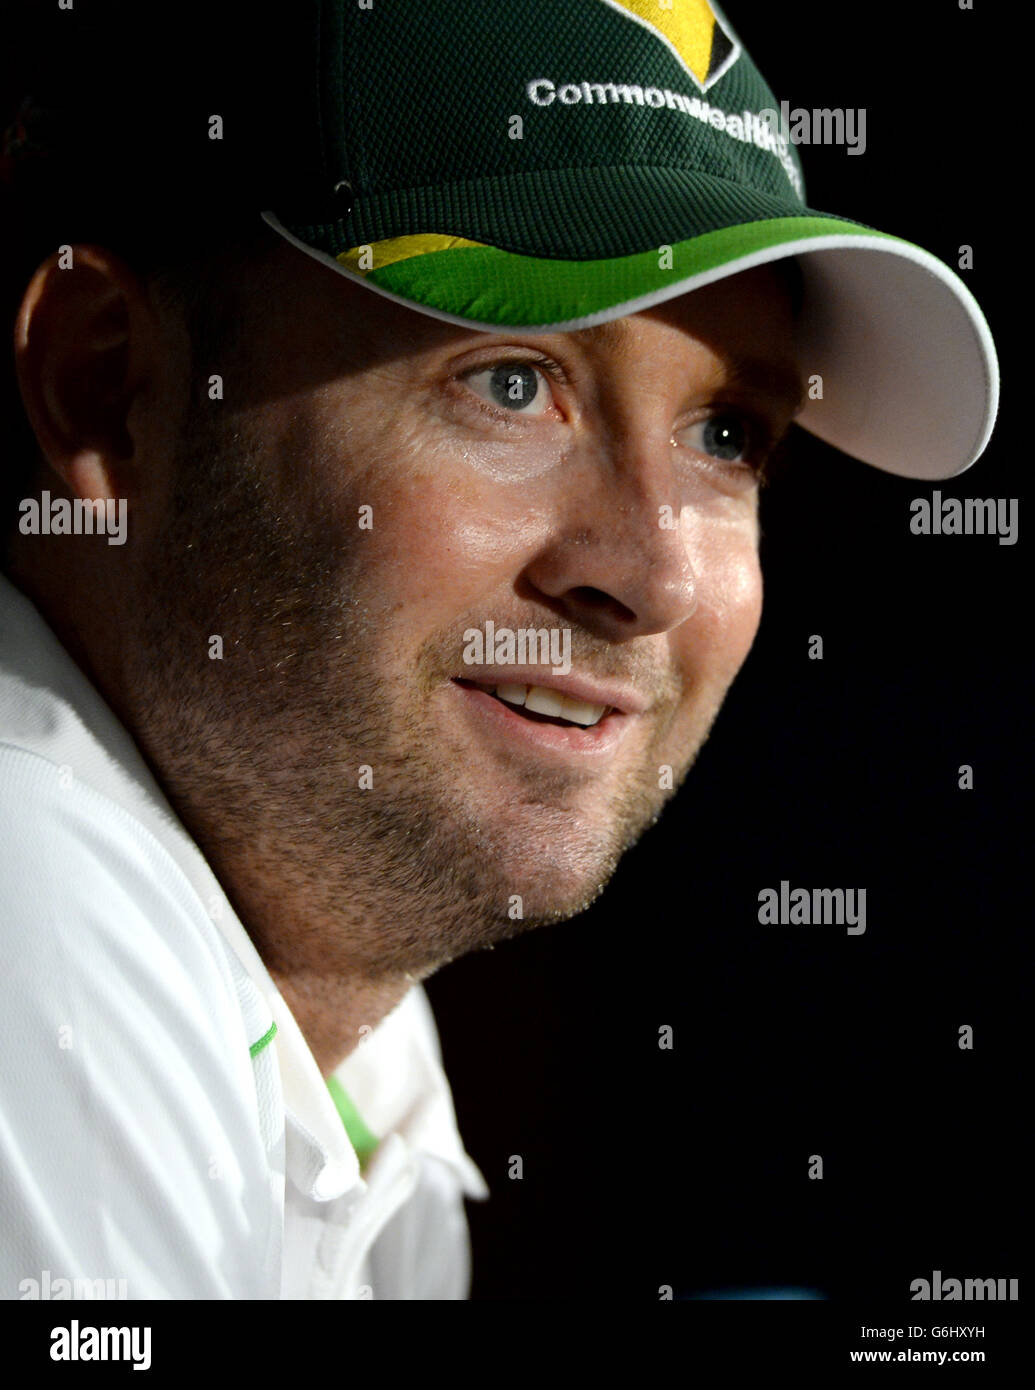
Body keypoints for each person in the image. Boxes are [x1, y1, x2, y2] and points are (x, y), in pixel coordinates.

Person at [0, 0, 997, 1300]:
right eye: (512, 381)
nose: (648, 575)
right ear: (111, 387)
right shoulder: (37, 893)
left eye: (728, 436)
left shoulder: (355, 1049)